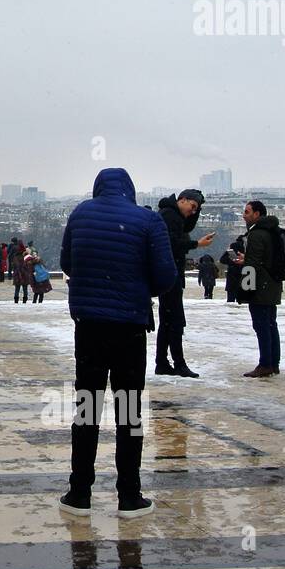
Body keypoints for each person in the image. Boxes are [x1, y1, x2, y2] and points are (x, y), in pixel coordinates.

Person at [58, 167, 176, 519]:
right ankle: (129, 494)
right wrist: (137, 287)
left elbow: (67, 263)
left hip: (89, 326)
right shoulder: (147, 220)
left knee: (87, 408)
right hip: (129, 327)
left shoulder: (80, 214)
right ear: (130, 190)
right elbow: (166, 277)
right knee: (128, 411)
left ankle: (79, 491)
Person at [154, 189, 215, 378]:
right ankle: (178, 363)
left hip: (168, 273)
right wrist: (197, 244)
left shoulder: (171, 214)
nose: (194, 211)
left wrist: (198, 208)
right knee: (175, 321)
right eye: (193, 206)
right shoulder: (170, 216)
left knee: (168, 320)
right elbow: (173, 243)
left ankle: (162, 362)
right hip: (170, 273)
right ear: (182, 200)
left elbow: (186, 228)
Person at [238, 200, 284, 378]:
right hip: (272, 284)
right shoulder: (273, 231)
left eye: (247, 212)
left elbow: (253, 266)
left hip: (261, 286)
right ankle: (273, 362)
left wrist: (246, 289)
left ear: (257, 214)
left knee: (261, 325)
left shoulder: (256, 234)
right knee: (271, 325)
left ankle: (265, 364)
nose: (244, 215)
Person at [220, 237, 245, 303]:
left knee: (231, 297)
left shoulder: (232, 248)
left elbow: (222, 260)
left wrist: (231, 261)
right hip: (242, 275)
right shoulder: (245, 248)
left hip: (232, 275)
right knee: (241, 299)